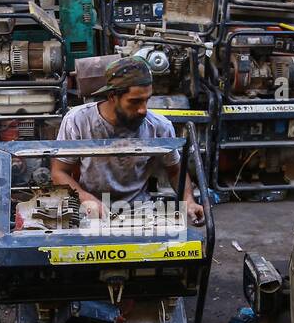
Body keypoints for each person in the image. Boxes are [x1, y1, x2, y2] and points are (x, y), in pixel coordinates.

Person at [51, 56, 206, 225]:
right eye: (135, 102)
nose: (143, 110)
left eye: (147, 99)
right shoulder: (78, 120)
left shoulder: (159, 127)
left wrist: (189, 201)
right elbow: (59, 172)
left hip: (138, 208)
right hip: (89, 205)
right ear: (112, 96)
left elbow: (175, 171)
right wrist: (84, 198)